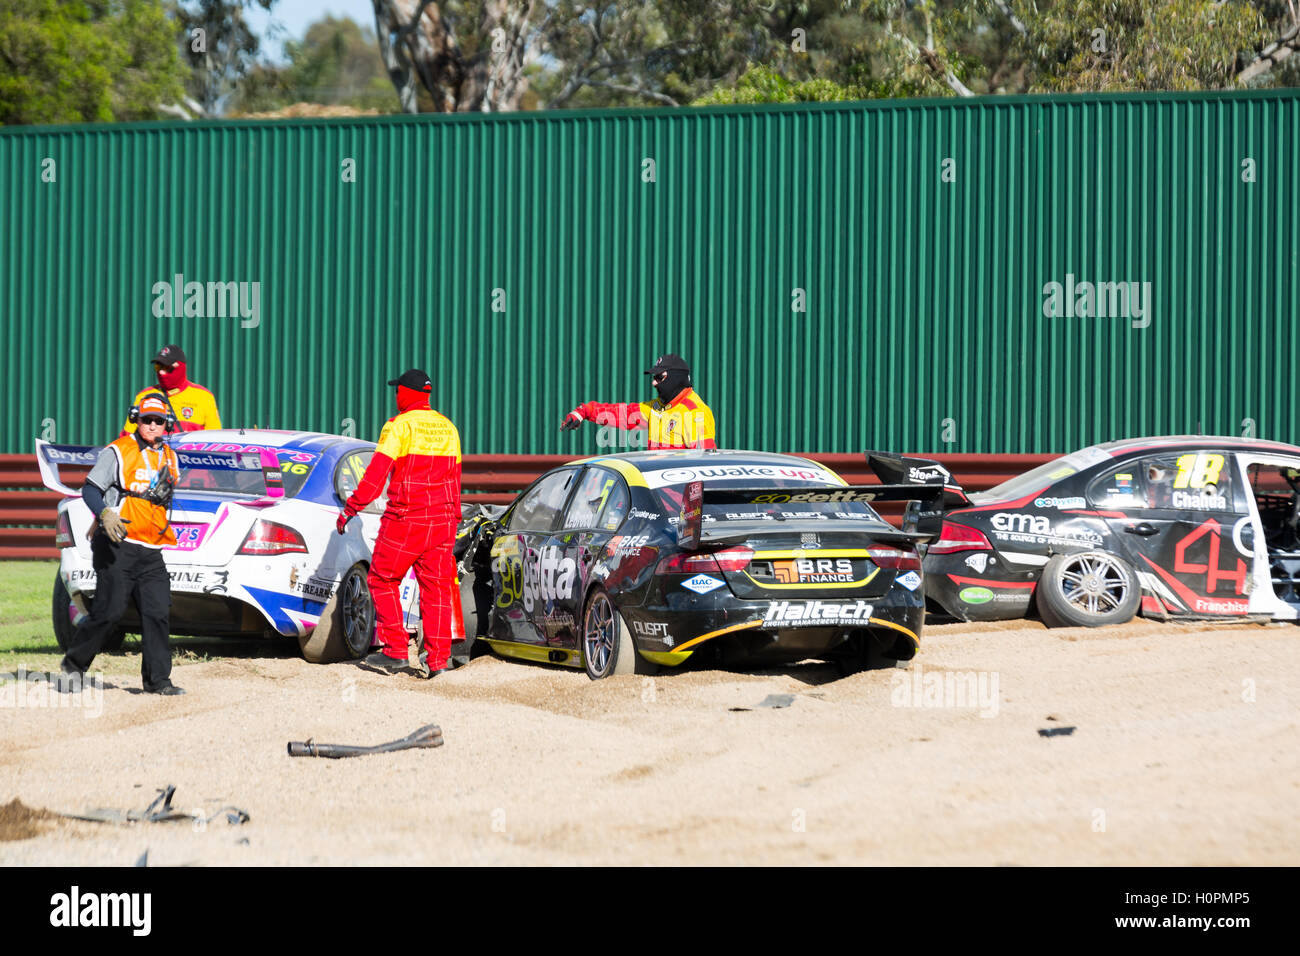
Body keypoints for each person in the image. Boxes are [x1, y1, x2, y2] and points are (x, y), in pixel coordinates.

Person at [337, 369, 463, 678]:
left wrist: (350, 509)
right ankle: (438, 663)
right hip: (444, 521)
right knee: (435, 590)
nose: (395, 397)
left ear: (406, 393)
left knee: (382, 579)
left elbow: (375, 477)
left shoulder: (398, 426)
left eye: (398, 391)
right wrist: (453, 518)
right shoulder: (449, 427)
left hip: (407, 519)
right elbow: (456, 479)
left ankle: (395, 651)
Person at [61, 393, 184, 695]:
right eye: (146, 419)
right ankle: (72, 668)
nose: (152, 425)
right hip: (118, 544)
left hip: (152, 549)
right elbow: (90, 489)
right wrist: (102, 514)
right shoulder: (118, 451)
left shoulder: (170, 456)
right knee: (109, 613)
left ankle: (158, 682)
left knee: (157, 613)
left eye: (158, 420)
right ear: (136, 420)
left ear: (166, 423)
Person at [561, 352, 717, 449]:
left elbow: (703, 466)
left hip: (676, 499)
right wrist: (585, 411)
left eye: (659, 377)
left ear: (676, 377)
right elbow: (623, 414)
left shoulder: (695, 412)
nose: (654, 383)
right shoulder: (658, 407)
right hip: (656, 493)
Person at [122, 344, 221, 435]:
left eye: (167, 367)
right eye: (158, 367)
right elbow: (126, 437)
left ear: (181, 367)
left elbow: (215, 438)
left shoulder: (203, 396)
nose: (161, 372)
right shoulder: (145, 396)